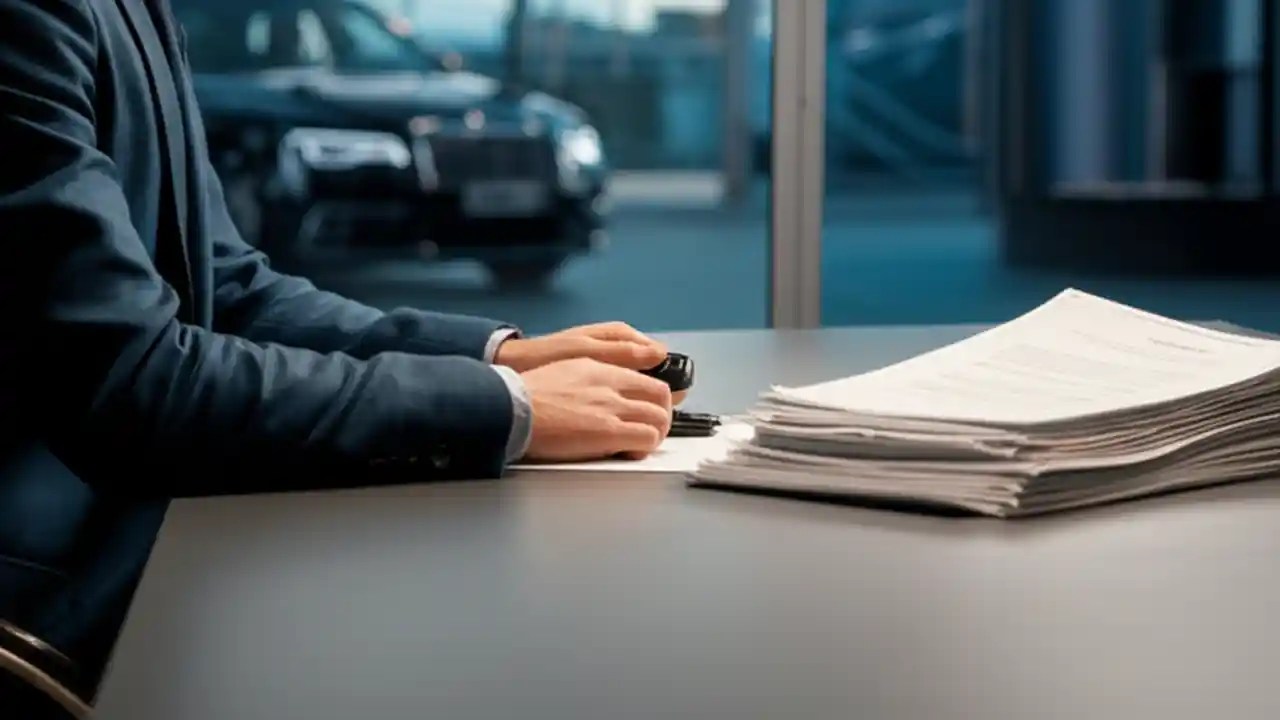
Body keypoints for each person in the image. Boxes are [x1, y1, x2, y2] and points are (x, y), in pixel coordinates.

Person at [0, 0, 677, 699]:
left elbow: (229, 289)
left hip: (151, 545)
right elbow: (132, 380)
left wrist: (494, 358)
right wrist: (505, 409)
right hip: (52, 594)